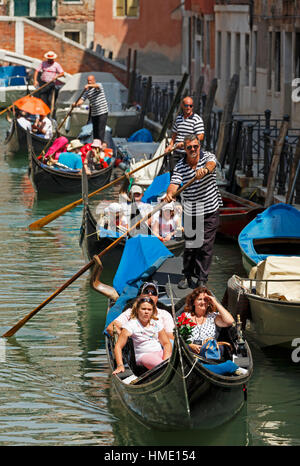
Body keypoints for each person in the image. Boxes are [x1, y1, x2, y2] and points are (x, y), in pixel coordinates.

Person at [164, 134, 222, 289]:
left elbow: (212, 164)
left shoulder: (208, 157)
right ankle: (187, 275)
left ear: (199, 146)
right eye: (189, 147)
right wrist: (170, 193)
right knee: (190, 245)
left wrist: (204, 170)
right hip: (191, 210)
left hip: (210, 209)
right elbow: (174, 183)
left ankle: (202, 279)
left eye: (195, 146)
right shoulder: (180, 166)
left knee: (205, 246)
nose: (193, 149)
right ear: (185, 148)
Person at [112, 296, 172, 374]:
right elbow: (118, 346)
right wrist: (120, 365)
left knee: (173, 364)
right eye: (143, 309)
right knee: (163, 367)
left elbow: (166, 343)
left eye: (149, 309)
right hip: (144, 356)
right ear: (137, 310)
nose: (146, 312)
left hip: (159, 352)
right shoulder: (131, 325)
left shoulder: (157, 324)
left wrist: (166, 358)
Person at [107, 282, 175, 341]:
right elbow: (111, 327)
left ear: (157, 298)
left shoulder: (165, 314)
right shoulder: (130, 312)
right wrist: (124, 340)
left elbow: (170, 338)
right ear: (140, 296)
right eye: (146, 291)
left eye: (153, 293)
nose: (150, 294)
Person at [182, 286, 234, 355]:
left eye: (206, 300)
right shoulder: (185, 317)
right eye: (200, 299)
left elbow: (230, 321)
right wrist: (191, 345)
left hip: (209, 352)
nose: (203, 302)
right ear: (193, 302)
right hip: (190, 352)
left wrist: (215, 302)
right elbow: (178, 336)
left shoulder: (213, 317)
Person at [166, 96, 204, 171]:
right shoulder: (179, 118)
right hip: (177, 152)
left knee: (188, 175)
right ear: (182, 106)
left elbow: (201, 136)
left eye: (191, 106)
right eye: (186, 105)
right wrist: (170, 145)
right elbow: (174, 134)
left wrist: (185, 143)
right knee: (174, 174)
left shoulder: (197, 119)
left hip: (190, 153)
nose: (188, 108)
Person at [73, 75, 108, 143]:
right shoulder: (87, 91)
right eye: (88, 81)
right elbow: (81, 100)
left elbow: (97, 86)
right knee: (95, 131)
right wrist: (75, 104)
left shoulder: (98, 86)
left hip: (102, 111)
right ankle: (95, 145)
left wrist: (89, 86)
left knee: (100, 130)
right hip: (94, 113)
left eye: (91, 80)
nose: (89, 82)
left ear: (94, 80)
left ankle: (100, 146)